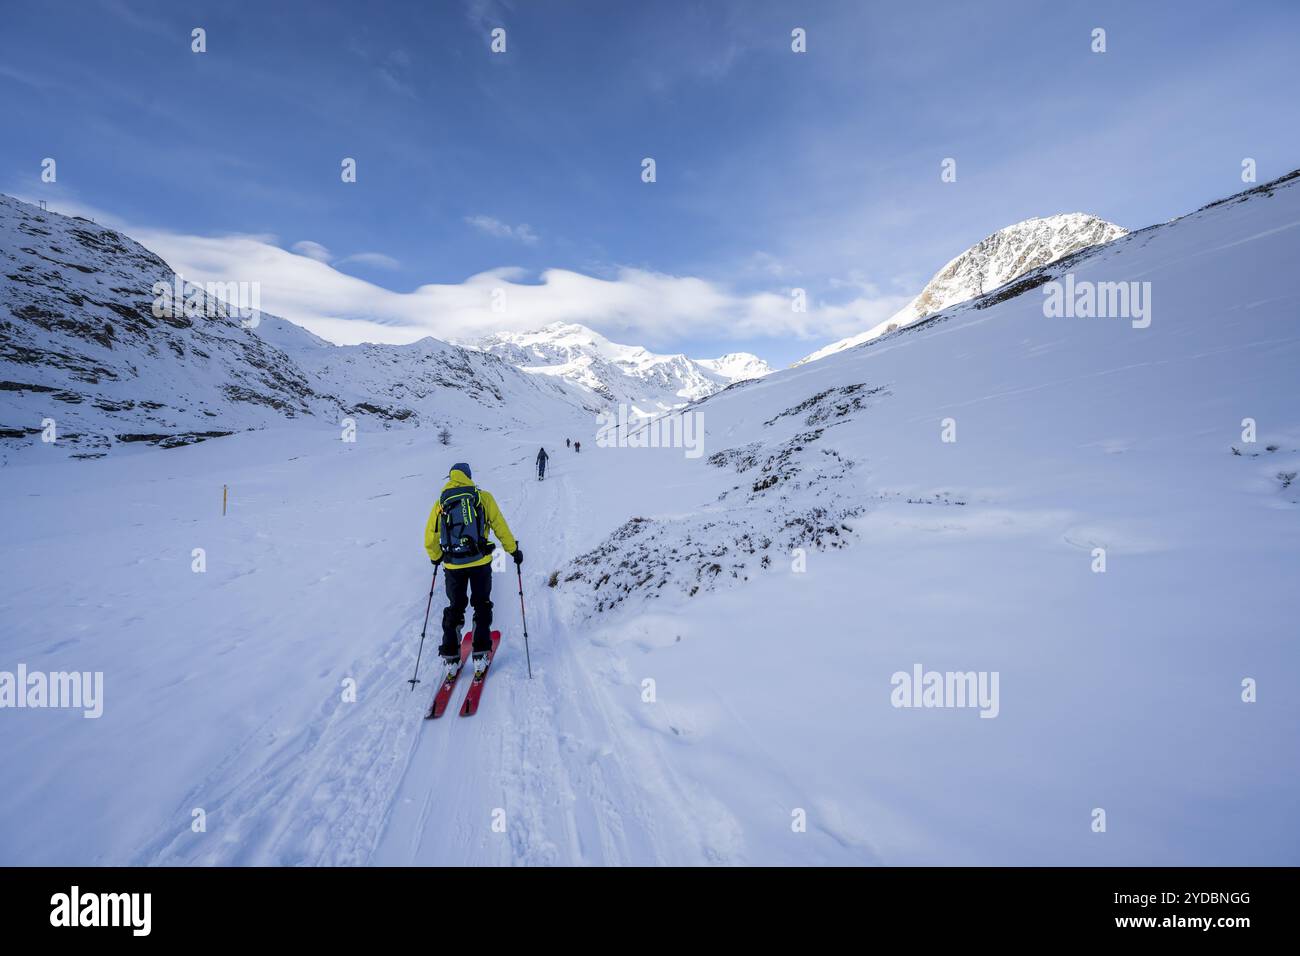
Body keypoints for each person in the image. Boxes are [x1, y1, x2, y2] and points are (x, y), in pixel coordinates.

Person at [423, 462, 522, 676]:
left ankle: (451, 659)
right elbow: (499, 525)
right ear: (469, 476)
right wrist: (513, 550)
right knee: (482, 604)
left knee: (455, 608)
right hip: (479, 562)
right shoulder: (482, 497)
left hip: (452, 565)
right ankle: (480, 656)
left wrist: (436, 557)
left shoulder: (441, 502)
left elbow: (430, 536)